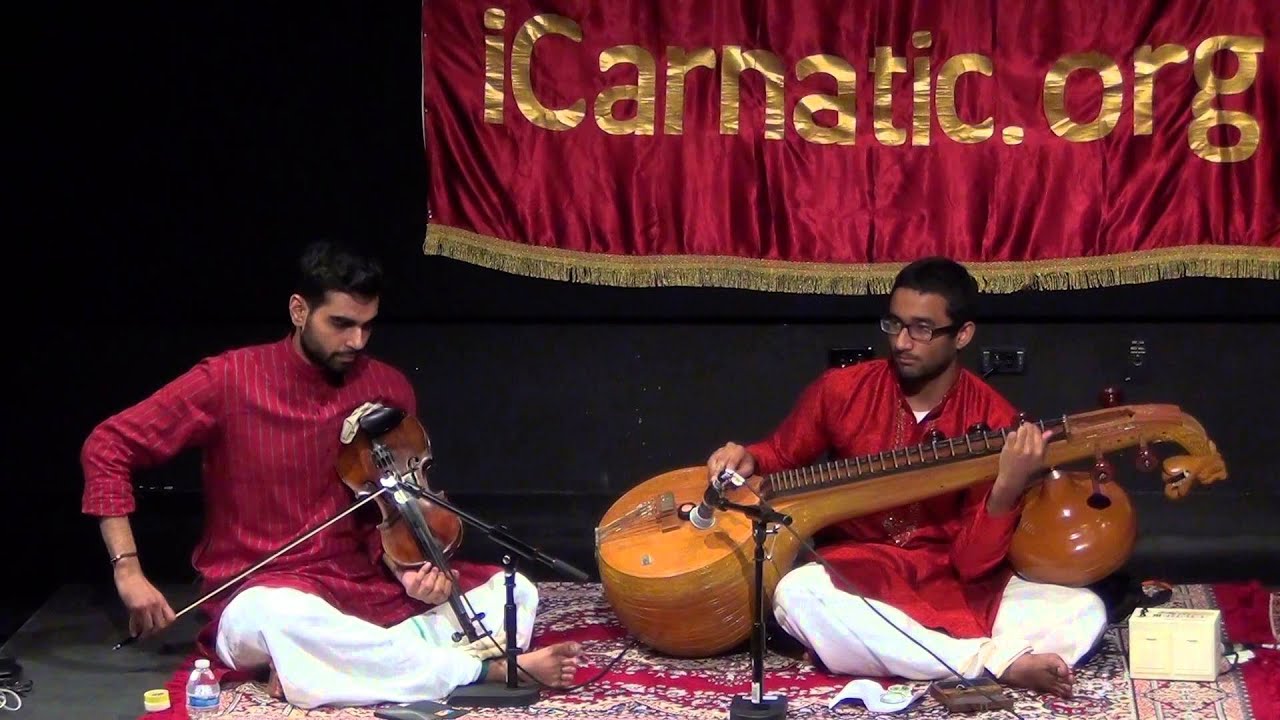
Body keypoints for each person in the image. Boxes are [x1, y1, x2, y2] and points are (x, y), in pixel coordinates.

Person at [81, 240, 580, 708]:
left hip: (362, 588)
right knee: (286, 621)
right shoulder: (228, 380)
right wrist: (128, 571)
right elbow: (108, 446)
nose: (356, 340)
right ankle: (480, 672)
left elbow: (395, 508)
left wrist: (411, 573)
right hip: (264, 594)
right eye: (341, 324)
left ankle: (327, 670)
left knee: (515, 594)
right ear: (299, 311)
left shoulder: (387, 387)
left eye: (367, 325)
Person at [705, 257, 1106, 699]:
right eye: (894, 324)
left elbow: (973, 563)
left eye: (921, 329)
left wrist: (1007, 487)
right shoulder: (842, 390)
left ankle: (908, 653)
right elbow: (780, 453)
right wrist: (745, 456)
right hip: (860, 573)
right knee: (797, 594)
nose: (901, 342)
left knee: (1084, 609)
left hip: (952, 583)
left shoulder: (994, 419)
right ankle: (990, 661)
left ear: (963, 335)